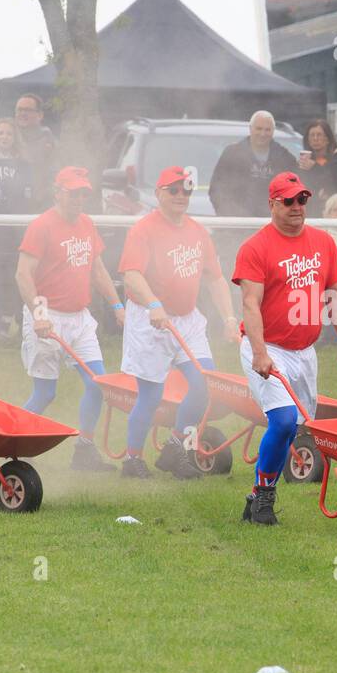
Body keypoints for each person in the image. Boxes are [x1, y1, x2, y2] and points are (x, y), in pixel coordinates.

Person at [232, 171, 337, 525]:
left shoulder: (323, 242)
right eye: (288, 200)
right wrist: (259, 353)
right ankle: (264, 497)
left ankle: (256, 494)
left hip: (305, 351)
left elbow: (334, 294)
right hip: (268, 347)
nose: (297, 207)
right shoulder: (255, 248)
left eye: (302, 199)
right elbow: (251, 305)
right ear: (272, 204)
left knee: (297, 426)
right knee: (284, 421)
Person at [117, 166, 240, 480]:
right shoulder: (144, 229)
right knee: (152, 395)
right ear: (159, 193)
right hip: (149, 319)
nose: (180, 196)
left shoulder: (198, 232)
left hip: (187, 319)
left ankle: (175, 447)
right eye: (173, 190)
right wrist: (154, 304)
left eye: (186, 190)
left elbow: (215, 279)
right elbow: (131, 273)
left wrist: (229, 318)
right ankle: (132, 459)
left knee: (203, 383)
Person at [14, 166, 126, 472]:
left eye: (83, 193)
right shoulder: (42, 226)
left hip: (80, 318)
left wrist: (118, 307)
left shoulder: (87, 223)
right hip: (47, 317)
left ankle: (84, 451)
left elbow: (98, 269)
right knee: (45, 393)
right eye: (73, 192)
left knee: (97, 384)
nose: (79, 198)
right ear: (57, 192)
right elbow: (23, 274)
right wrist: (39, 315)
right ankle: (9, 442)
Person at [0, 118, 34, 338]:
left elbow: (26, 197)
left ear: (15, 138)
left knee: (11, 275)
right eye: (0, 133)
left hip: (13, 228)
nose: (4, 137)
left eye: (9, 134)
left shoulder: (23, 164)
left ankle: (5, 322)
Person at [209, 110, 298, 218]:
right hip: (237, 225)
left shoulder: (284, 157)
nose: (262, 134)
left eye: (267, 130)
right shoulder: (232, 153)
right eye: (259, 129)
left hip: (272, 224)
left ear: (273, 131)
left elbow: (296, 189)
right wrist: (232, 216)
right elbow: (216, 189)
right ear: (250, 129)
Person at [14, 94, 56, 207]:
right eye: (19, 110)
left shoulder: (49, 141)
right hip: (13, 203)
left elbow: (55, 174)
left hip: (40, 204)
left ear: (40, 115)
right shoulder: (7, 138)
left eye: (28, 110)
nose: (22, 113)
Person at [295, 118, 337, 201]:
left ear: (327, 138)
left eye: (319, 135)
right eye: (312, 135)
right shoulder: (304, 161)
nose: (315, 138)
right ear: (308, 139)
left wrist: (315, 167)